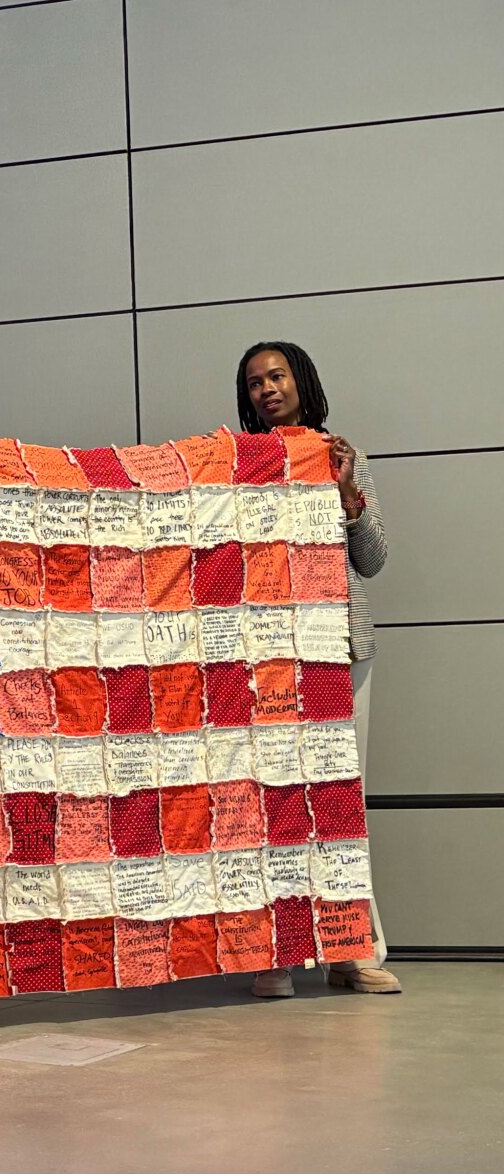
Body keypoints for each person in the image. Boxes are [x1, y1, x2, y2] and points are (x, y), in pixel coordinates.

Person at [235, 341, 400, 999]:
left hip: (342, 650)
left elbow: (376, 560)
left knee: (341, 807)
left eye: (276, 376)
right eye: (253, 383)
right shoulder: (238, 468)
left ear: (302, 381)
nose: (266, 389)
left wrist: (347, 491)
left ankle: (349, 952)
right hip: (272, 656)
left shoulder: (341, 457)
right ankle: (276, 951)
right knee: (273, 802)